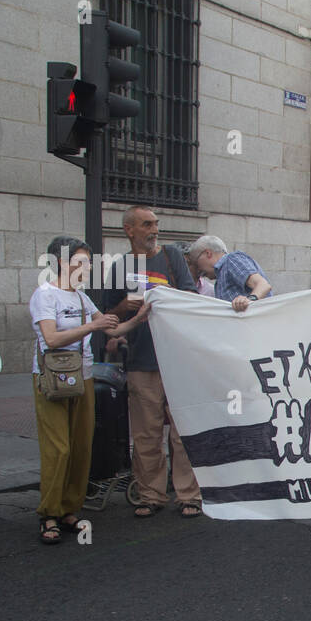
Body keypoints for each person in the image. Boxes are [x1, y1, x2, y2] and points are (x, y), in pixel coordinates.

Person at [29, 237, 144, 544]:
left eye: (87, 263)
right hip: (52, 378)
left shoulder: (82, 298)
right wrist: (92, 327)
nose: (84, 268)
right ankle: (48, 513)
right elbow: (51, 339)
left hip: (83, 376)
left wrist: (143, 315)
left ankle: (69, 509)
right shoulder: (45, 294)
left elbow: (113, 329)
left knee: (81, 446)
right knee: (58, 448)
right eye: (78, 262)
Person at [98, 206, 203, 519]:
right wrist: (123, 305)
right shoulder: (119, 267)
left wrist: (165, 296)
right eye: (147, 224)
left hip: (178, 360)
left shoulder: (171, 258)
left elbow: (190, 300)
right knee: (146, 433)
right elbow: (108, 317)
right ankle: (150, 495)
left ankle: (189, 495)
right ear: (130, 230)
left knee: (183, 433)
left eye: (156, 223)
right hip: (141, 362)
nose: (154, 229)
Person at [188, 235, 272, 313]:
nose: (197, 269)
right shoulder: (220, 277)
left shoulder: (230, 260)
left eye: (196, 262)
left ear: (208, 253)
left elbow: (263, 285)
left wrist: (249, 300)